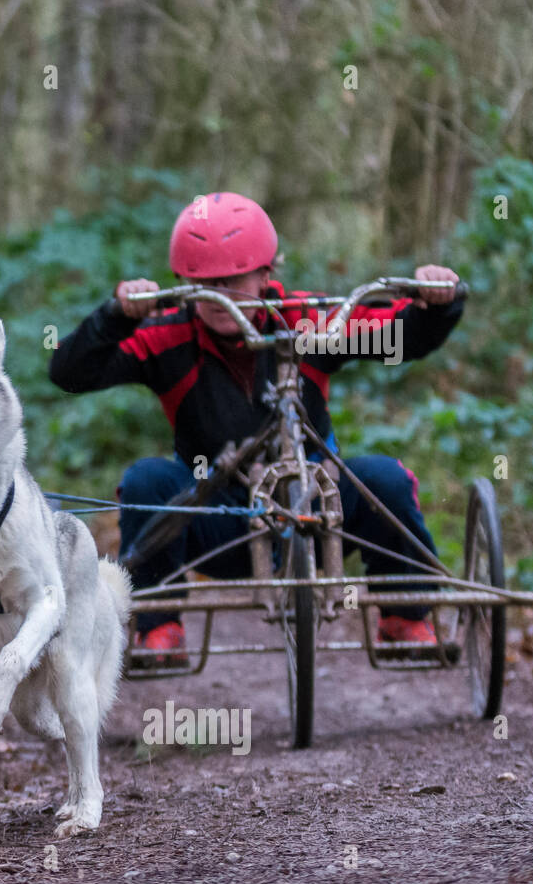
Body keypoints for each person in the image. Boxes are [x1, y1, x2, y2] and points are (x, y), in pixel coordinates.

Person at [49, 191, 463, 662]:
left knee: (385, 478)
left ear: (267, 274)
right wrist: (114, 316)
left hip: (319, 510)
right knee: (146, 480)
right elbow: (68, 372)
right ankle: (158, 626)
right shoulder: (166, 333)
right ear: (184, 282)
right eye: (205, 282)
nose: (220, 296)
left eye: (233, 280)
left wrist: (437, 302)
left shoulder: (308, 319)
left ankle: (405, 616)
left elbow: (400, 335)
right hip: (217, 514)